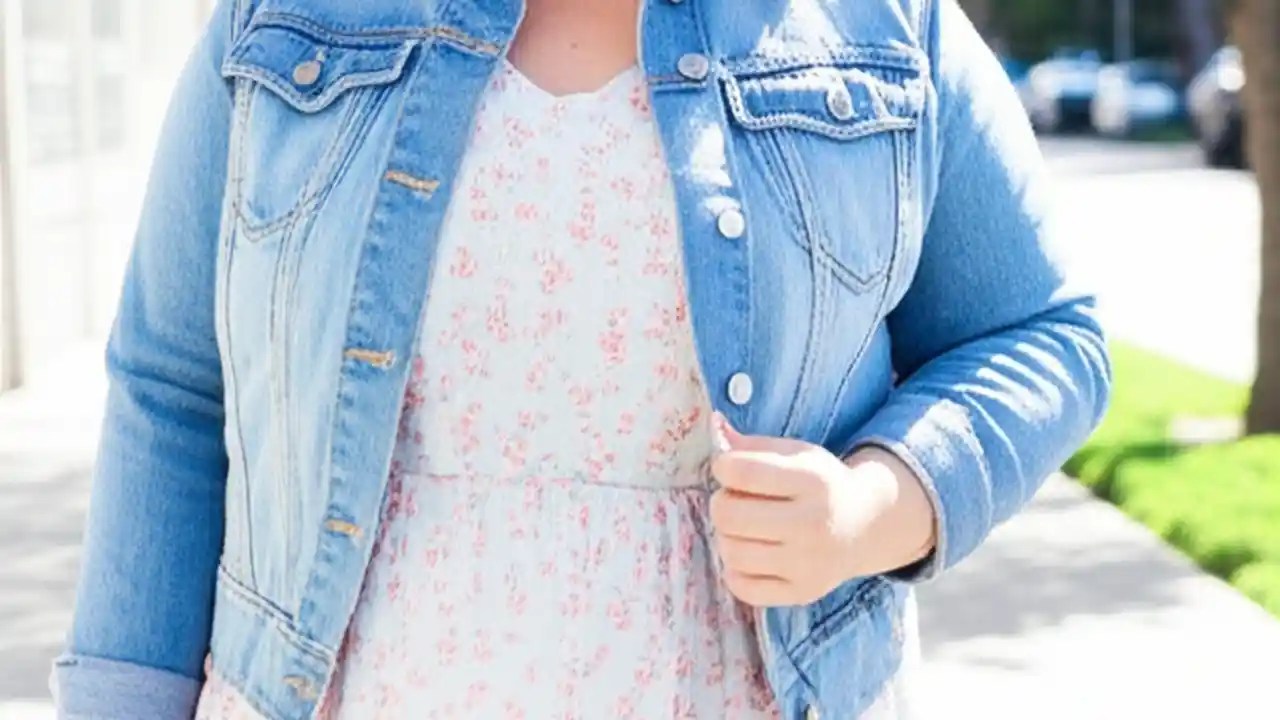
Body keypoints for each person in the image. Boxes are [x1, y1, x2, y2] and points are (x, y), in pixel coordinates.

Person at [52, 0, 1111, 718]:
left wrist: (870, 511)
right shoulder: (292, 16)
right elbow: (173, 388)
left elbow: (1042, 332)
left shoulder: (879, 21)